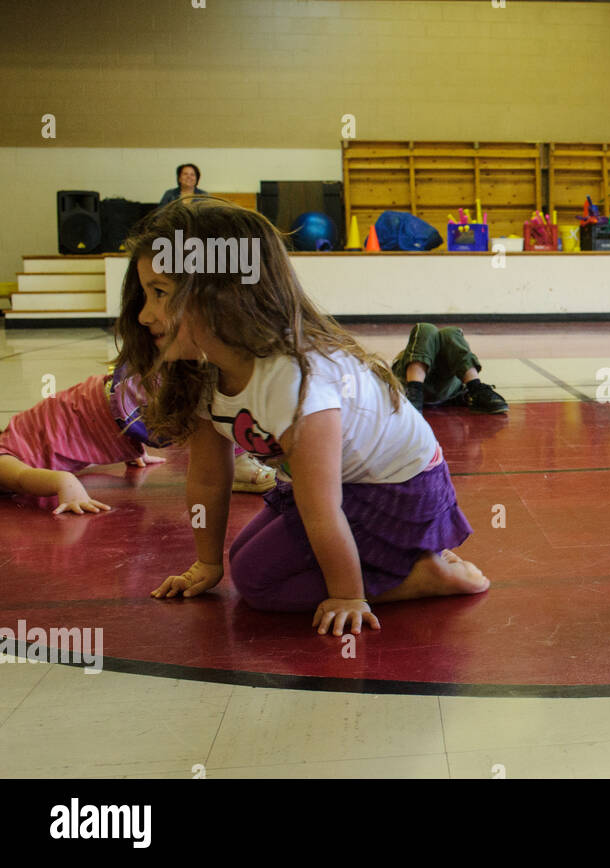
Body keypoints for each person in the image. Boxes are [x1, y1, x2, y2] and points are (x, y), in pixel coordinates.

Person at [114, 198, 489, 634]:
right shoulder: (202, 369)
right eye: (145, 294)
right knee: (243, 556)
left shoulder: (295, 380)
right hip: (335, 485)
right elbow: (208, 476)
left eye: (159, 293)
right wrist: (207, 563)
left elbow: (324, 509)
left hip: (398, 491)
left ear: (223, 292)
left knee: (258, 582)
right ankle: (399, 566)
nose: (144, 315)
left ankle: (416, 577)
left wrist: (348, 595)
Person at [0, 361, 274, 515]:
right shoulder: (12, 438)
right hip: (97, 408)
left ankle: (236, 456)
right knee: (171, 390)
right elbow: (60, 435)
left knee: (184, 400)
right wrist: (132, 448)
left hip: (100, 413)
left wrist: (69, 491)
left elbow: (47, 477)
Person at [392, 323, 507, 413]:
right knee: (426, 329)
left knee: (450, 333)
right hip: (407, 383)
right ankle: (414, 391)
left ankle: (476, 389)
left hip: (447, 390)